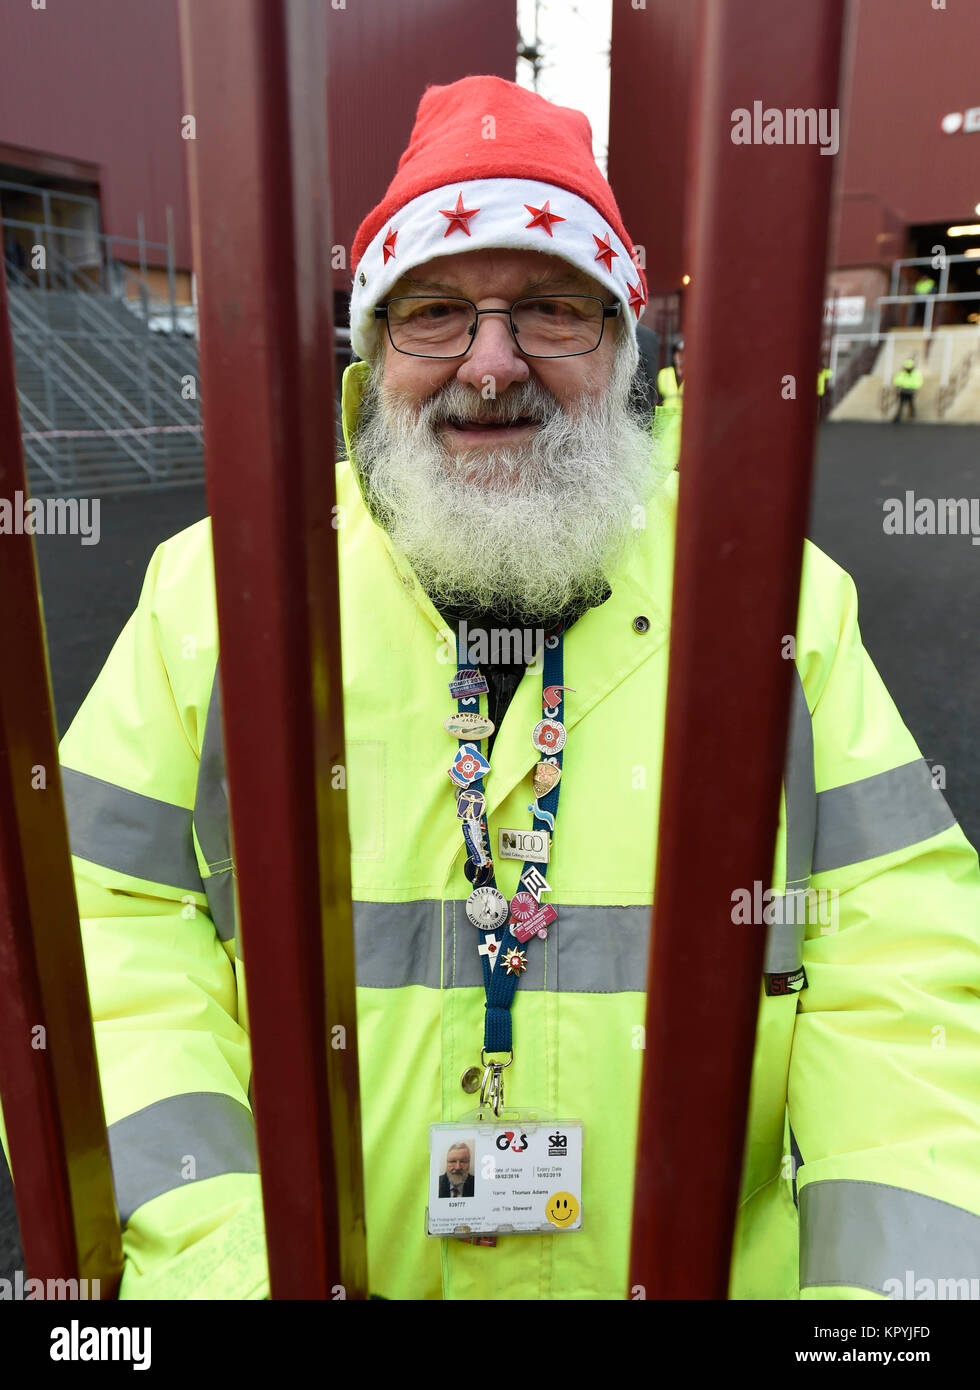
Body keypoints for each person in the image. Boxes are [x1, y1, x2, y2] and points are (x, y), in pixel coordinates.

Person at [6, 75, 979, 1303]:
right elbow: (96, 930)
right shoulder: (214, 595)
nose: (490, 365)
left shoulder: (779, 603)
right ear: (371, 344)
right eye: (434, 313)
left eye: (552, 309)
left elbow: (900, 972)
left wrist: (877, 1320)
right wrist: (232, 1268)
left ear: (622, 342)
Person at [654, 337, 684, 467]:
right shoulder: (665, 374)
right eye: (677, 352)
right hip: (665, 427)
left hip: (684, 427)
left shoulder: (696, 375)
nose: (680, 357)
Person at [892, 357, 923, 423]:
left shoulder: (914, 373)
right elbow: (898, 380)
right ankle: (899, 416)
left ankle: (911, 415)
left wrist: (915, 388)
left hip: (909, 390)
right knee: (902, 404)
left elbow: (918, 382)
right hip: (904, 390)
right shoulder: (903, 373)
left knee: (909, 403)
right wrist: (898, 387)